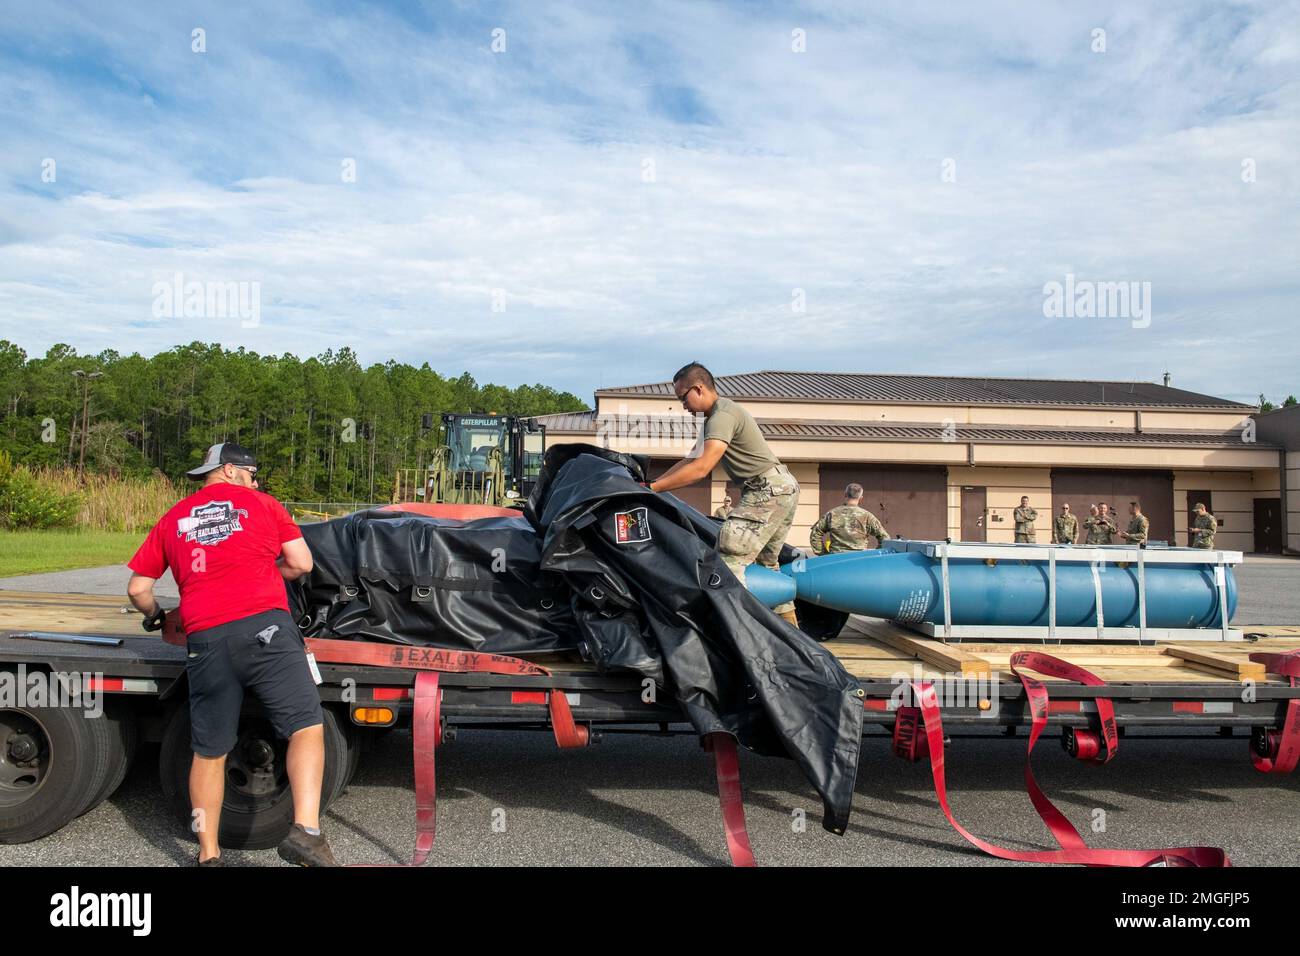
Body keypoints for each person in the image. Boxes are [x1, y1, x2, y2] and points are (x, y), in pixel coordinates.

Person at [126, 442, 334, 867]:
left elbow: (137, 589)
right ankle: (306, 833)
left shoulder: (171, 519)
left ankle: (209, 855)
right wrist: (259, 575)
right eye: (253, 475)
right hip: (266, 630)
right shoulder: (264, 505)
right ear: (234, 471)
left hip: (206, 640)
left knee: (209, 751)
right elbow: (302, 563)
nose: (256, 483)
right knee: (305, 726)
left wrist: (156, 616)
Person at [648, 362, 801, 627]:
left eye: (683, 398)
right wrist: (652, 484)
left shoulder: (722, 415)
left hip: (767, 490)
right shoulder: (716, 418)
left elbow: (701, 468)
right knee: (767, 570)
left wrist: (653, 490)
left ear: (698, 388)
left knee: (728, 562)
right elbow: (690, 460)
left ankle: (739, 637)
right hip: (782, 487)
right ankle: (794, 640)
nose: (683, 406)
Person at [809, 482, 890, 553]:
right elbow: (885, 538)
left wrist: (824, 554)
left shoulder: (831, 514)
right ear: (861, 498)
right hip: (858, 561)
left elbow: (815, 534)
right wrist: (874, 555)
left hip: (835, 560)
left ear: (845, 494)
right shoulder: (867, 516)